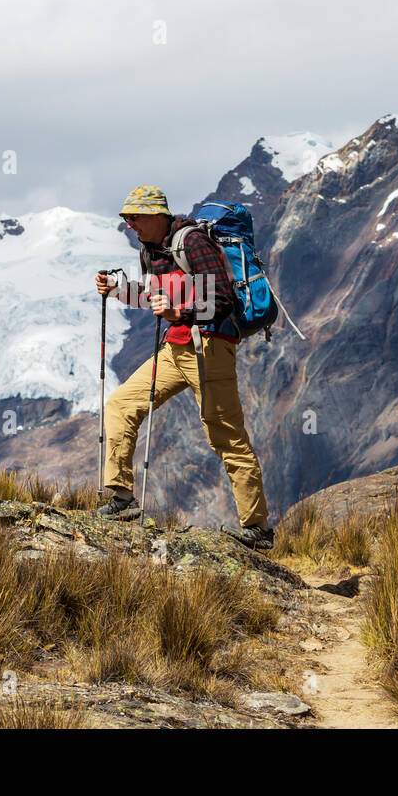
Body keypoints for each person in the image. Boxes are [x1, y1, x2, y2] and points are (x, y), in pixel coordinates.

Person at [94, 184, 274, 550]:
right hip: (175, 348)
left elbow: (221, 300)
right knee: (121, 404)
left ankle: (257, 529)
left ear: (157, 215)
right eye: (127, 219)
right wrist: (116, 289)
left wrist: (181, 313)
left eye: (135, 217)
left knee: (225, 435)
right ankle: (121, 498)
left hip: (209, 346)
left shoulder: (192, 243)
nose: (130, 225)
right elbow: (155, 298)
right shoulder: (152, 253)